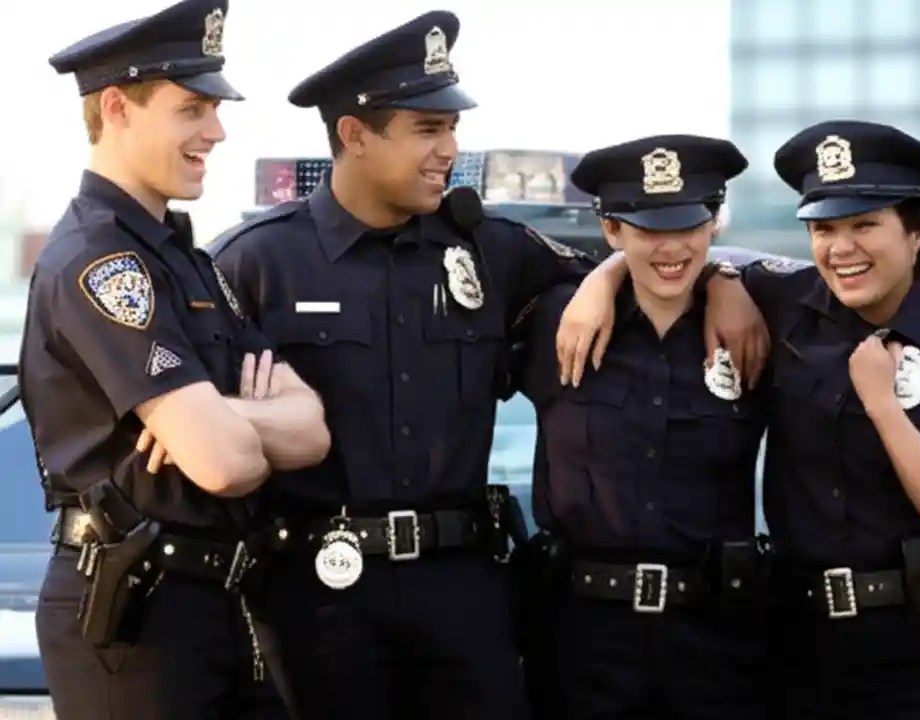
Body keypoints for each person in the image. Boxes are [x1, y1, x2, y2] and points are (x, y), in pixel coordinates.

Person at [208, 11, 767, 719]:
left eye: (452, 129)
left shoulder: (493, 251)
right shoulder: (257, 262)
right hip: (318, 595)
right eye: (428, 129)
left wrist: (719, 281)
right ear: (354, 135)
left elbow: (650, 261)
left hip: (462, 593)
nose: (450, 149)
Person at [23, 1, 330, 718]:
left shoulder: (192, 264)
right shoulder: (101, 263)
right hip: (134, 617)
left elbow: (312, 430)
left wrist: (215, 413)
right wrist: (246, 427)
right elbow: (228, 466)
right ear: (117, 108)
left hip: (220, 606)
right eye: (192, 109)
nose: (216, 132)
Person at [710, 120, 920, 718]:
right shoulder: (789, 303)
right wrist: (625, 278)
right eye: (824, 228)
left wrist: (883, 405)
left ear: (916, 233)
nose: (841, 248)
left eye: (865, 225)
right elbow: (691, 257)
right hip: (800, 650)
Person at [514, 135, 769, 720]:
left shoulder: (760, 317)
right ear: (612, 231)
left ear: (715, 223)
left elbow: (828, 272)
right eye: (648, 229)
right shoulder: (553, 317)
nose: (672, 248)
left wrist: (724, 277)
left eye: (690, 225)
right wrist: (602, 278)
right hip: (580, 644)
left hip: (718, 646)